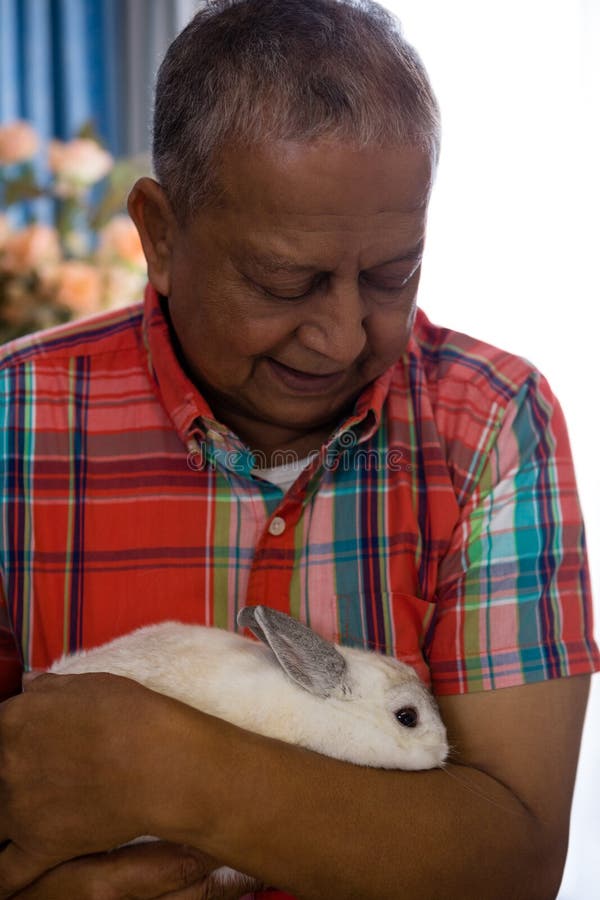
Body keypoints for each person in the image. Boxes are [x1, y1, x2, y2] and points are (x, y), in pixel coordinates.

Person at [0, 0, 598, 897]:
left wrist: (171, 766)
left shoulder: (493, 424)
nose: (343, 336)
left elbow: (512, 862)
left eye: (394, 273)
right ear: (160, 236)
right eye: (287, 282)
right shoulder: (15, 420)